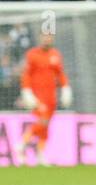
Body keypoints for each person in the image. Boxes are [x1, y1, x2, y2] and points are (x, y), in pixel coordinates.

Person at [19, 32, 71, 166]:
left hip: (51, 95)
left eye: (50, 37)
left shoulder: (55, 54)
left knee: (46, 126)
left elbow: (60, 74)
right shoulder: (32, 54)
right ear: (40, 38)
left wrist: (65, 88)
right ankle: (22, 144)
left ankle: (40, 154)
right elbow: (26, 74)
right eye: (45, 37)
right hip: (38, 95)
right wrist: (26, 91)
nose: (47, 39)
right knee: (43, 120)